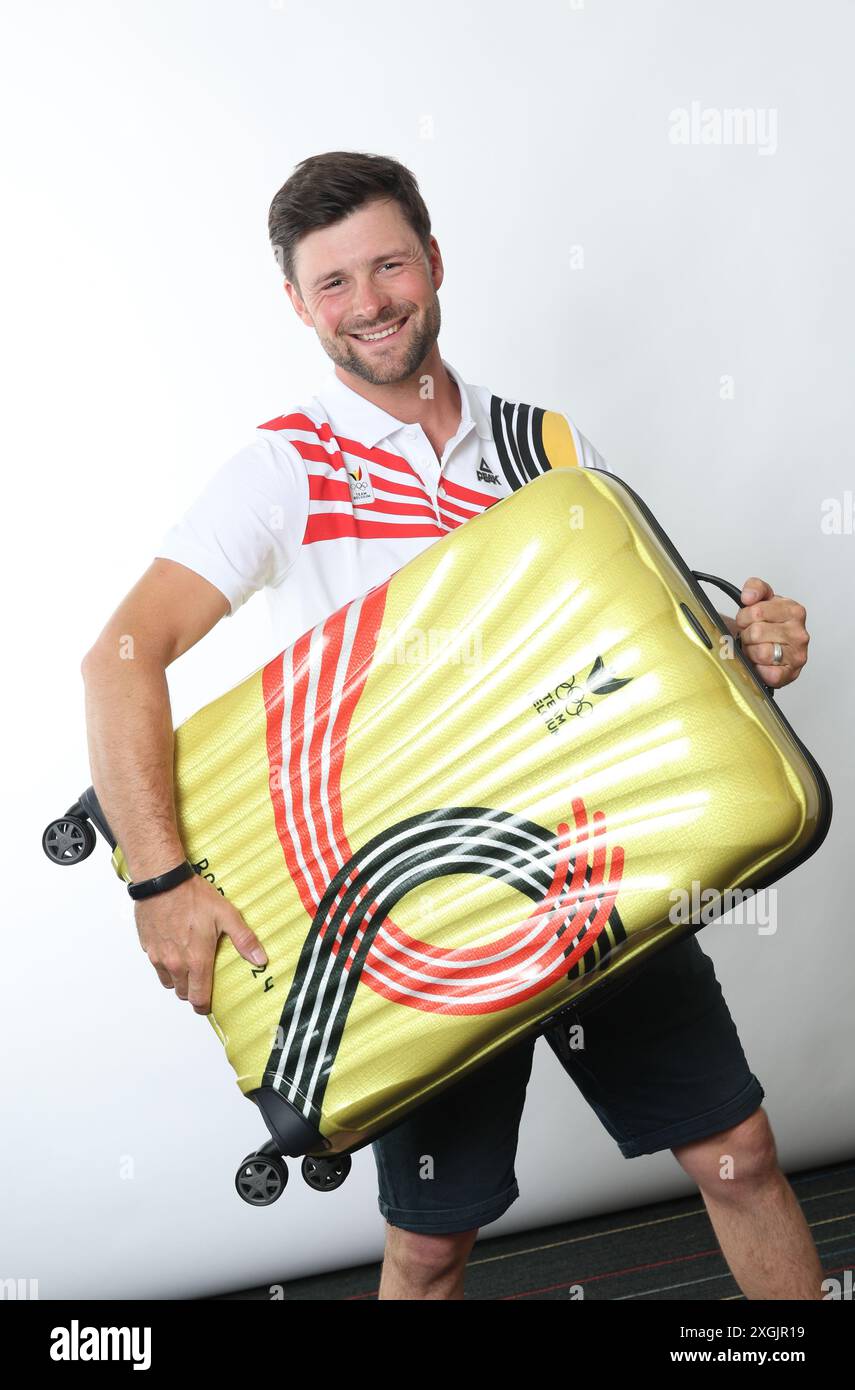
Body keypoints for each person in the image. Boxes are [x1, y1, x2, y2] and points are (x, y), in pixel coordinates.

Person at [81, 150, 817, 1301]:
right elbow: (117, 658)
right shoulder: (285, 469)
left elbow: (647, 660)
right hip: (408, 914)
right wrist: (160, 880)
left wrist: (752, 649)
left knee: (744, 1156)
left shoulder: (547, 452)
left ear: (434, 260)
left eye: (387, 264)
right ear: (295, 303)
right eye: (332, 282)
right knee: (429, 1249)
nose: (367, 301)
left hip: (596, 865)